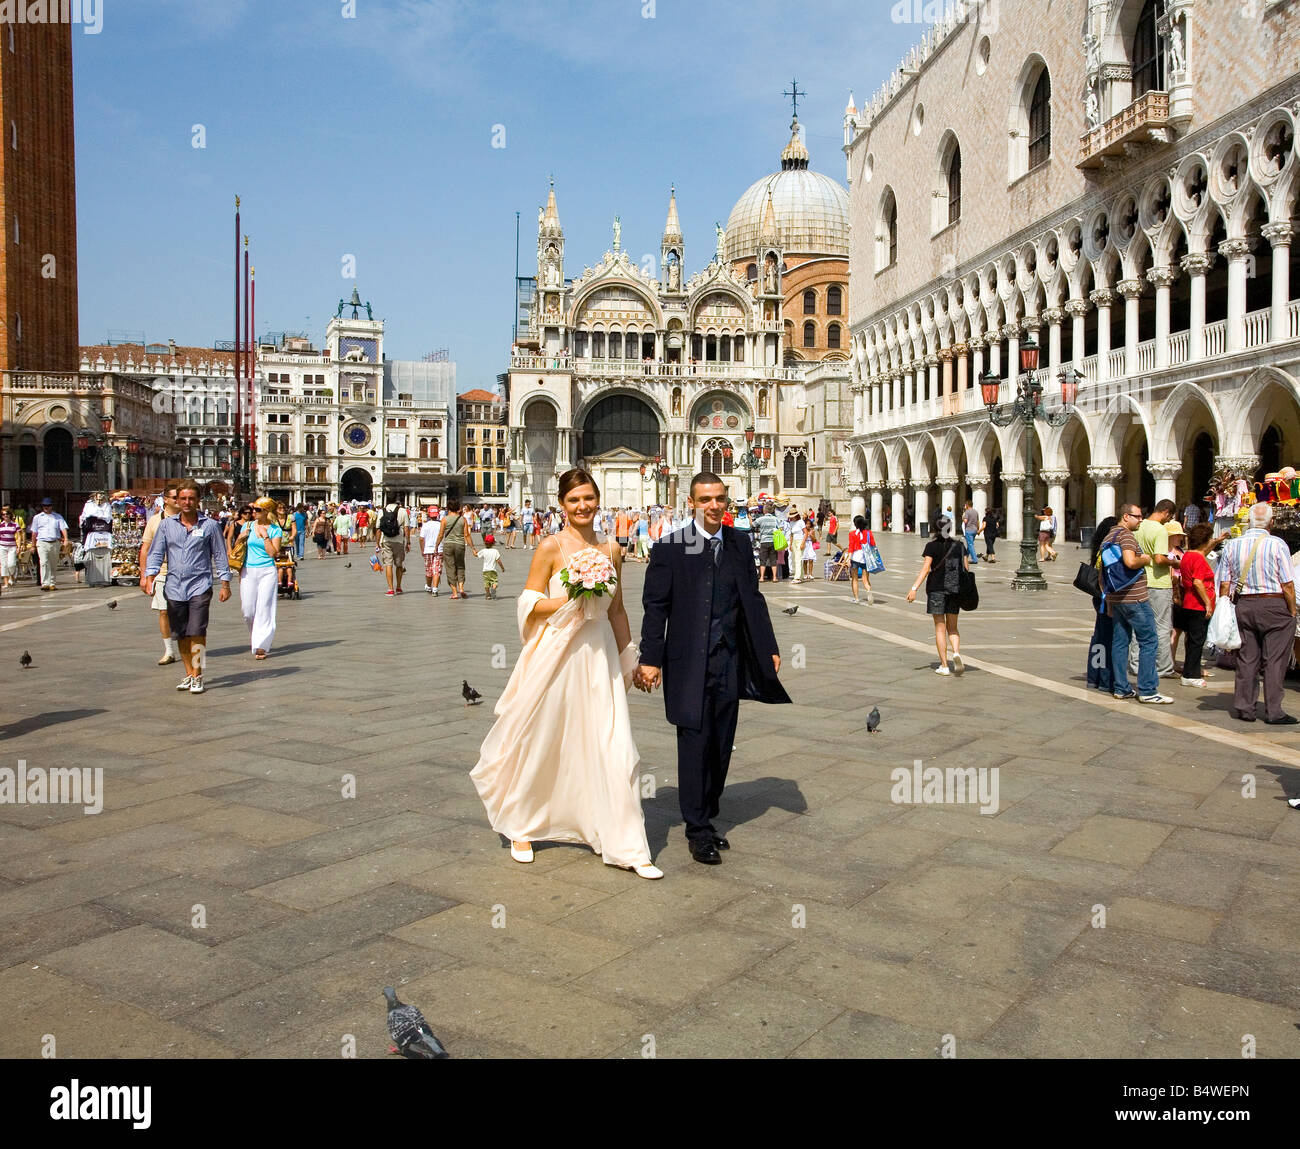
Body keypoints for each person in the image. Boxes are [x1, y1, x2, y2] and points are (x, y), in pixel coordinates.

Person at [471, 467, 662, 878]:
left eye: (588, 498)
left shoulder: (613, 550)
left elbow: (617, 609)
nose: (582, 506)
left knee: (610, 741)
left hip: (599, 656)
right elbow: (528, 603)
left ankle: (626, 842)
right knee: (543, 736)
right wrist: (572, 598)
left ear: (598, 501)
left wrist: (632, 659)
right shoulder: (550, 546)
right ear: (562, 505)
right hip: (557, 653)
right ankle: (521, 824)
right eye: (574, 500)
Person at [636, 472, 790, 865]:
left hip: (729, 658)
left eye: (720, 498)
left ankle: (708, 808)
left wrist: (768, 646)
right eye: (705, 499)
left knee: (721, 742)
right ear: (691, 502)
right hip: (687, 662)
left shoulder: (739, 543)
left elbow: (753, 599)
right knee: (694, 742)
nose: (713, 505)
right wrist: (650, 658)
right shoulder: (671, 548)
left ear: (728, 501)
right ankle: (698, 828)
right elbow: (656, 608)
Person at [142, 480, 232, 695]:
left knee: (197, 631)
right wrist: (149, 576)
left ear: (198, 500)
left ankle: (198, 674)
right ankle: (189, 673)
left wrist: (225, 583)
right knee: (180, 633)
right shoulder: (166, 525)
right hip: (174, 586)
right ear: (177, 500)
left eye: (191, 498)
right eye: (183, 498)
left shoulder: (209, 525)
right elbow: (156, 552)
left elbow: (220, 555)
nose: (187, 502)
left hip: (200, 585)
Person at [1218, 501, 1296, 724]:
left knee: (1247, 657)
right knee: (1275, 660)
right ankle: (1274, 711)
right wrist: (1291, 611)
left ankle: (1245, 707)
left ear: (1249, 521)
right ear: (1271, 522)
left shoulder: (1233, 545)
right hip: (1274, 605)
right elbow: (1288, 584)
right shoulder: (1277, 544)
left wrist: (1228, 608)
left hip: (1244, 604)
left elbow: (1225, 583)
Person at [1102, 504, 1171, 704]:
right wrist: (1145, 558)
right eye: (1138, 516)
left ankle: (1121, 688)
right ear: (1126, 516)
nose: (1141, 520)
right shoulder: (1125, 536)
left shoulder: (1108, 537)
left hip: (1117, 597)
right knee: (1149, 640)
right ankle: (1148, 689)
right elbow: (1131, 562)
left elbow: (1101, 571)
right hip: (1135, 597)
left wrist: (1108, 600)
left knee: (1120, 642)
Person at [906, 516, 969, 675]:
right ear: (950, 528)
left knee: (940, 628)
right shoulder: (960, 546)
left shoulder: (931, 546)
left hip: (936, 590)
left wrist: (914, 588)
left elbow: (926, 569)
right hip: (954, 590)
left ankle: (944, 666)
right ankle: (955, 652)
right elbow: (966, 569)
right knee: (953, 628)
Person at [1130, 500, 1176, 680]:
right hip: (1159, 583)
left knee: (1138, 624)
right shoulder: (1160, 530)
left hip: (1140, 581)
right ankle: (1163, 666)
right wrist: (1174, 561)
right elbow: (1159, 559)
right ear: (1165, 512)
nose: (1168, 520)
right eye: (1170, 517)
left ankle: (1135, 664)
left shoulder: (1138, 527)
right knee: (1162, 626)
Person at [236, 496, 283, 659]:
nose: (253, 512)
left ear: (266, 511)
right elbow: (238, 547)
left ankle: (261, 645)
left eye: (257, 510)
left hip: (267, 571)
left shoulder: (275, 529)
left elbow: (273, 553)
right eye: (252, 509)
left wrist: (265, 536)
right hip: (248, 571)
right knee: (247, 611)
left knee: (264, 607)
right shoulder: (247, 526)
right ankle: (256, 636)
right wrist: (240, 538)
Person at [1174, 522, 1216, 688]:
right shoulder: (1198, 558)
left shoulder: (1188, 556)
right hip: (1197, 604)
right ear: (1204, 540)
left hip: (1189, 603)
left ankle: (1192, 671)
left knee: (1193, 640)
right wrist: (1208, 603)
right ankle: (1190, 674)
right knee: (1197, 641)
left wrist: (1217, 540)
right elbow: (1198, 582)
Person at [1084, 515, 1119, 692]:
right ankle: (1106, 679)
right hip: (1107, 599)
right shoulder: (1109, 550)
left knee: (1099, 637)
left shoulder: (1098, 548)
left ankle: (1094, 676)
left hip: (1099, 598)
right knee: (1108, 639)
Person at [440, 495, 477, 599]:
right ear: (458, 507)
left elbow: (440, 534)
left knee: (450, 567)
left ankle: (455, 592)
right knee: (460, 565)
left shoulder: (444, 519)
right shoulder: (463, 519)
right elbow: (467, 535)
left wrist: (436, 545)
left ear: (448, 507)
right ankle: (461, 587)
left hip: (448, 545)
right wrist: (473, 548)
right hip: (460, 544)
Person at [28, 498, 69, 591]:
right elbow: (34, 532)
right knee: (43, 562)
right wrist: (33, 545)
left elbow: (63, 528)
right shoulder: (37, 517)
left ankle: (52, 582)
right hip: (42, 542)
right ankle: (45, 583)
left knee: (53, 563)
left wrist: (66, 539)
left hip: (54, 542)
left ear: (51, 506)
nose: (46, 508)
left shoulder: (58, 516)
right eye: (45, 506)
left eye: (48, 506)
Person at [78, 493, 113, 588]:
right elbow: (86, 516)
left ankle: (105, 579)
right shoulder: (88, 505)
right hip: (92, 535)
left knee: (105, 558)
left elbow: (108, 517)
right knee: (91, 558)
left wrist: (99, 516)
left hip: (105, 534)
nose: (99, 500)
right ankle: (91, 579)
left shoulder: (107, 505)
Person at [376, 500, 410, 596]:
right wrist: (408, 542)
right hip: (399, 541)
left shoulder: (382, 511)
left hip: (386, 540)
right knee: (399, 564)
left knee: (388, 564)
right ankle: (398, 587)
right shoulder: (403, 511)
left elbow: (378, 529)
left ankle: (390, 589)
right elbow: (407, 528)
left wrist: (377, 543)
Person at [847, 514, 876, 605]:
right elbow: (873, 544)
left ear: (855, 524)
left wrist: (848, 559)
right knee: (865, 578)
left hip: (855, 557)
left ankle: (856, 598)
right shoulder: (868, 533)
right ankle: (868, 592)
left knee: (855, 578)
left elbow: (851, 547)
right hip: (866, 557)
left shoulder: (852, 534)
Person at [419, 508, 443, 595]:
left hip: (427, 550)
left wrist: (422, 550)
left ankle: (429, 586)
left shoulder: (425, 525)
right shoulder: (440, 525)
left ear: (429, 514)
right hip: (438, 549)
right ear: (437, 515)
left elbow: (421, 539)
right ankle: (435, 589)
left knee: (429, 570)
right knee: (436, 570)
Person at [754, 501, 780, 582]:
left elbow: (753, 524)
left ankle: (761, 577)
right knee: (773, 560)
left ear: (764, 511)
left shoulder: (761, 519)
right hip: (773, 541)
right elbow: (780, 527)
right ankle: (775, 577)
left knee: (763, 560)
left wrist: (750, 518)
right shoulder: (775, 519)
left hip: (764, 541)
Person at [0, 504, 22, 590]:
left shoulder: (15, 525)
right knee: (4, 565)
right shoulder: (1, 525)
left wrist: (19, 546)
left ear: (10, 515)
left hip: (12, 547)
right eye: (3, 514)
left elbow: (19, 536)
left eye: (7, 514)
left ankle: (12, 576)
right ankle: (6, 582)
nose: (5, 516)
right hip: (2, 546)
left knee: (11, 564)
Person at [480, 533, 504, 599]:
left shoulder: (483, 551)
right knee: (494, 582)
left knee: (486, 583)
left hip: (485, 571)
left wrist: (474, 551)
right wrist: (502, 568)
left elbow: (477, 555)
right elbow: (499, 561)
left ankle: (488, 595)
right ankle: (493, 589)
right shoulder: (495, 551)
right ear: (493, 543)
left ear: (485, 543)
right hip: (493, 570)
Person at [786, 506, 806, 582]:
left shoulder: (801, 522)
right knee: (796, 559)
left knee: (798, 558)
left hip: (800, 540)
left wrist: (803, 543)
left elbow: (806, 533)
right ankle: (800, 576)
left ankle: (797, 577)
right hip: (794, 540)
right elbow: (791, 534)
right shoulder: (791, 523)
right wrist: (790, 544)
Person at [962, 500, 980, 564]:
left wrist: (963, 516)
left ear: (967, 505)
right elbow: (978, 521)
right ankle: (965, 557)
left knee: (970, 545)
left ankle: (974, 559)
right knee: (970, 544)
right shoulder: (975, 511)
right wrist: (978, 529)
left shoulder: (967, 512)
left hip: (969, 529)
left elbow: (965, 521)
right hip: (975, 529)